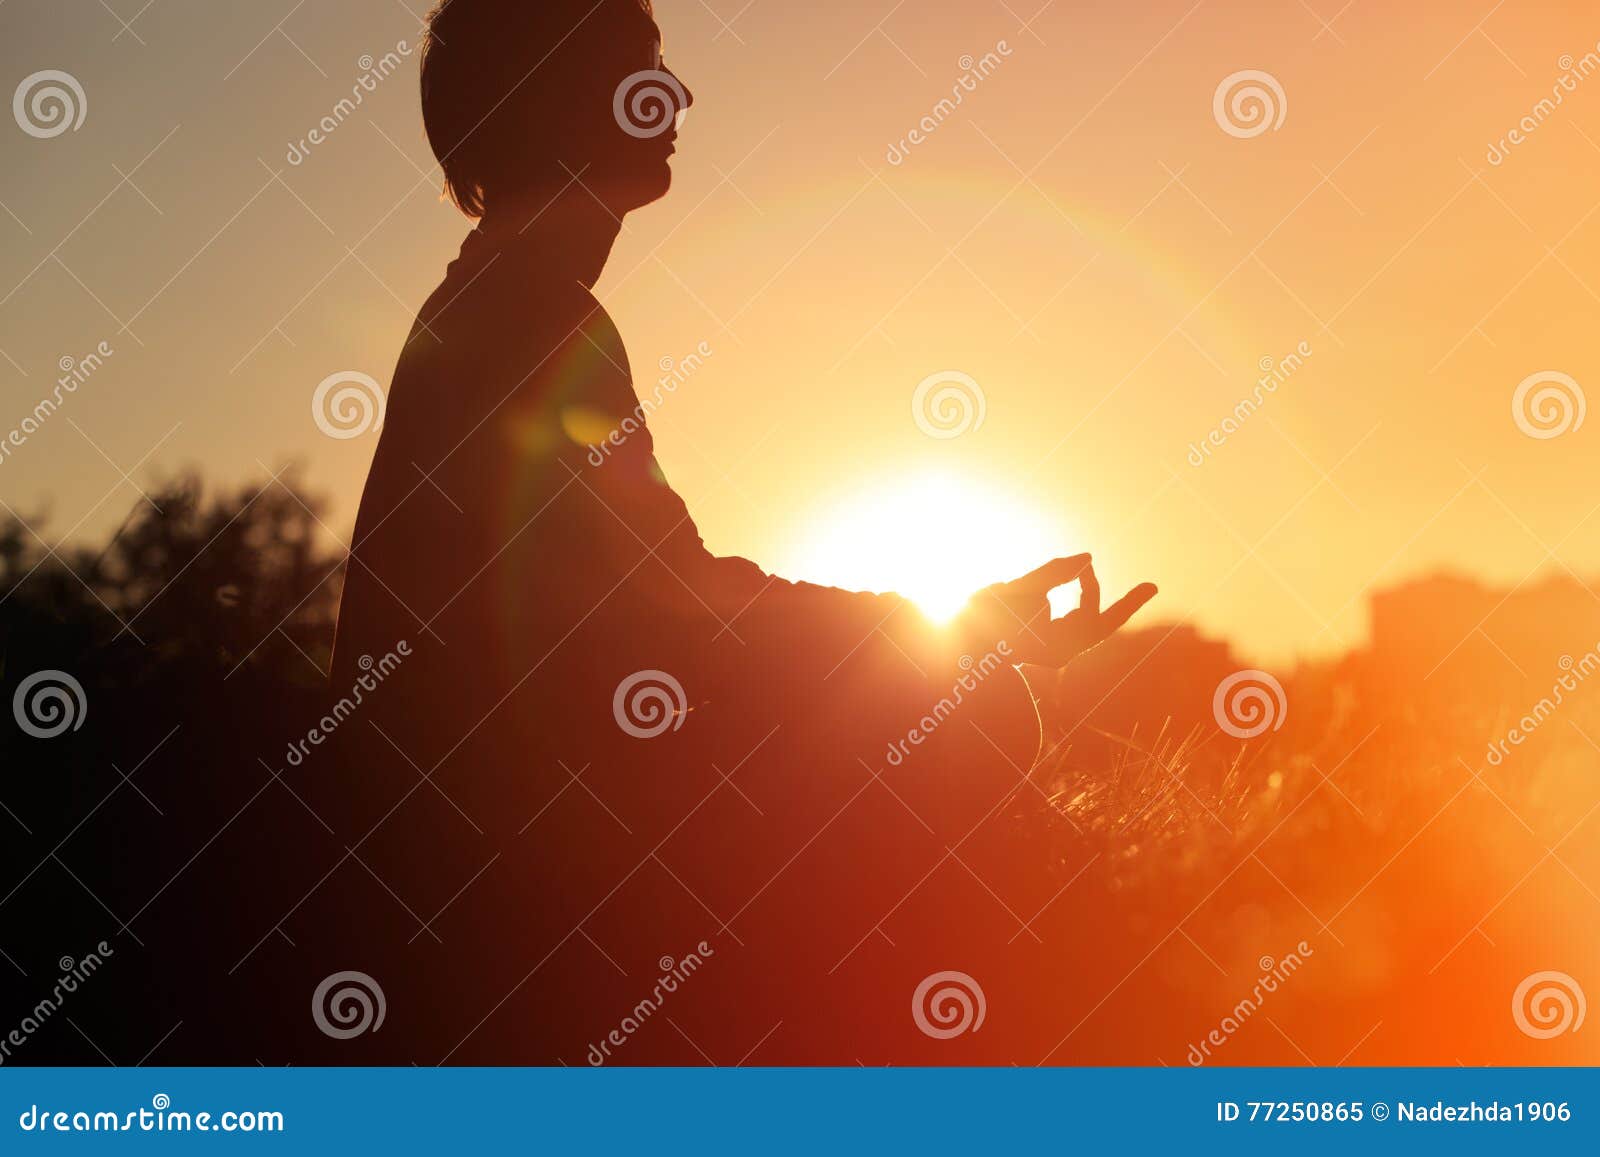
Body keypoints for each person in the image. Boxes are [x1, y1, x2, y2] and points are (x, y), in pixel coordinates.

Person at [274, 0, 1158, 1065]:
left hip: (463, 855)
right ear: (550, 95)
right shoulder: (533, 319)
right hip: (495, 880)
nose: (676, 96)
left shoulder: (499, 302)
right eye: (640, 66)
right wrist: (950, 632)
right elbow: (672, 616)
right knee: (966, 717)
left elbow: (661, 602)